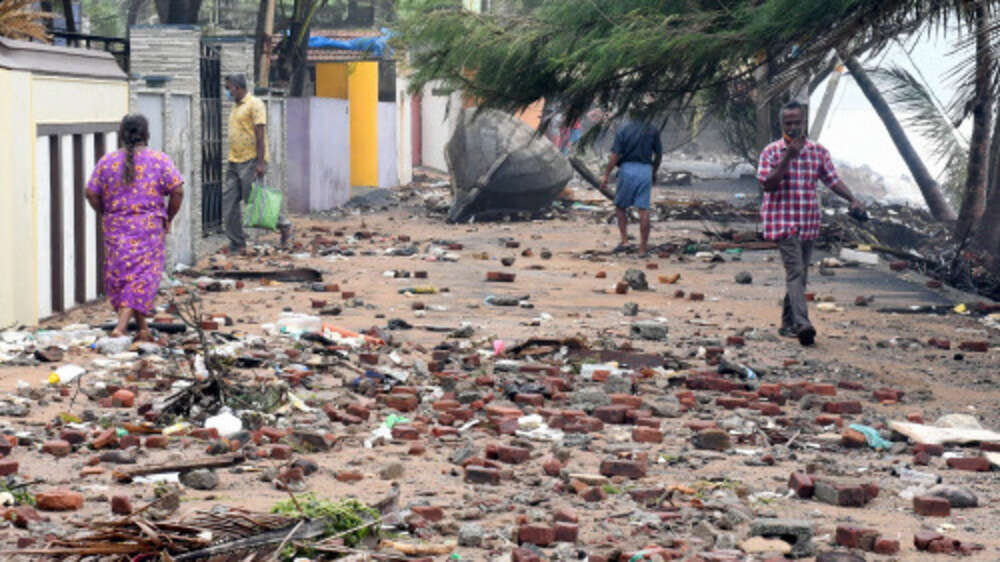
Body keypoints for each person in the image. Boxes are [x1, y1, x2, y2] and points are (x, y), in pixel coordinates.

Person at [757, 100, 864, 347]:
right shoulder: (771, 152)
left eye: (796, 122)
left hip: (807, 220)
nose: (793, 127)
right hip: (782, 220)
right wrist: (788, 158)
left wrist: (853, 199)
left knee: (800, 274)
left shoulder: (818, 151)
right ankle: (802, 324)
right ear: (781, 124)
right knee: (795, 272)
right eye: (788, 123)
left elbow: (832, 180)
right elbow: (768, 184)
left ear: (804, 123)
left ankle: (786, 324)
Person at [85, 114, 184, 341]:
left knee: (124, 278)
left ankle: (143, 330)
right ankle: (120, 328)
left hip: (116, 228)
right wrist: (169, 216)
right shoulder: (159, 161)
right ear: (147, 135)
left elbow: (91, 192)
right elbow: (177, 190)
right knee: (141, 279)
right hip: (149, 230)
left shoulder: (107, 162)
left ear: (121, 134)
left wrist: (105, 212)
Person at [223, 73, 293, 252]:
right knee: (229, 203)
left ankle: (284, 225)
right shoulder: (236, 107)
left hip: (251, 160)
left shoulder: (255, 104)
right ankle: (237, 242)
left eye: (228, 88)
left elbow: (260, 135)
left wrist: (260, 163)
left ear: (237, 87)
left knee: (253, 200)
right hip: (234, 160)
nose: (227, 92)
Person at [600, 116, 662, 257]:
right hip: (645, 170)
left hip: (627, 169)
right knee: (643, 210)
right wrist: (653, 172)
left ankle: (625, 241)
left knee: (620, 207)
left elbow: (615, 156)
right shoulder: (652, 129)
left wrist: (606, 175)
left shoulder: (623, 129)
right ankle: (642, 249)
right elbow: (658, 155)